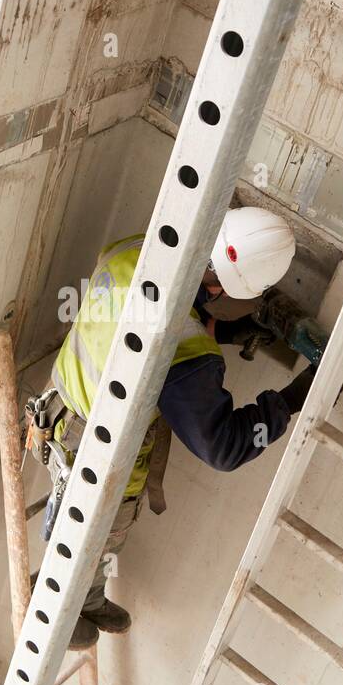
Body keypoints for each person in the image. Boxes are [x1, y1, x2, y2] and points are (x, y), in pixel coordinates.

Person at [30, 206, 318, 649]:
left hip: (57, 414)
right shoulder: (188, 353)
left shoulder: (138, 246)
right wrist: (293, 398)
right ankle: (59, 603)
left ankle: (85, 593)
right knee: (100, 531)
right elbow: (222, 449)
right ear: (222, 285)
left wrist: (221, 328)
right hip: (98, 455)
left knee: (80, 520)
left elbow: (139, 318)